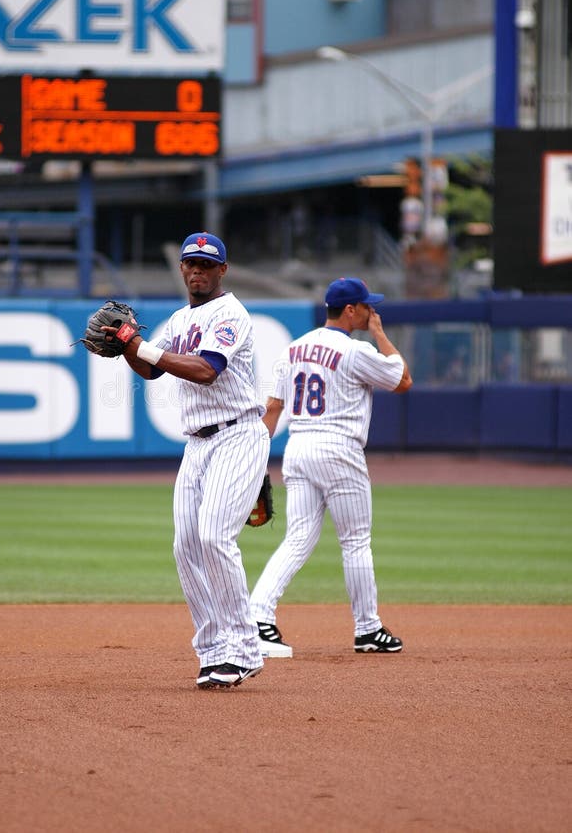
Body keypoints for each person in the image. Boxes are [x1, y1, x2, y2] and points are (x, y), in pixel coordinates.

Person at [106, 232, 269, 689]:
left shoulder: (230, 313)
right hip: (197, 444)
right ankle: (214, 650)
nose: (198, 271)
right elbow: (151, 369)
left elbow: (206, 369)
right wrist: (126, 347)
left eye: (207, 264)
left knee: (214, 536)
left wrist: (140, 345)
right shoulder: (181, 319)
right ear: (181, 268)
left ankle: (244, 649)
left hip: (237, 434)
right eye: (191, 263)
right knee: (186, 546)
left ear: (222, 270)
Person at [250, 277, 413, 657]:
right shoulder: (355, 350)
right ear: (351, 310)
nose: (372, 312)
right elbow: (403, 380)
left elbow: (273, 408)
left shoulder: (293, 349)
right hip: (338, 449)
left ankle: (257, 615)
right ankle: (368, 628)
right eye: (367, 306)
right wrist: (380, 335)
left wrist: (254, 461)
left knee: (297, 538)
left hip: (298, 448)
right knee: (355, 541)